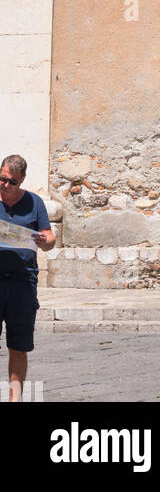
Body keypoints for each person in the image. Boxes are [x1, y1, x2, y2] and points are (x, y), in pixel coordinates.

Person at [0, 153, 55, 401]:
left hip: (23, 282)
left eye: (12, 181)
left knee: (19, 347)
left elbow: (49, 238)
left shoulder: (34, 203)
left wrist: (44, 241)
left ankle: (15, 398)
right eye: (1, 179)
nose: (5, 185)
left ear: (22, 179)